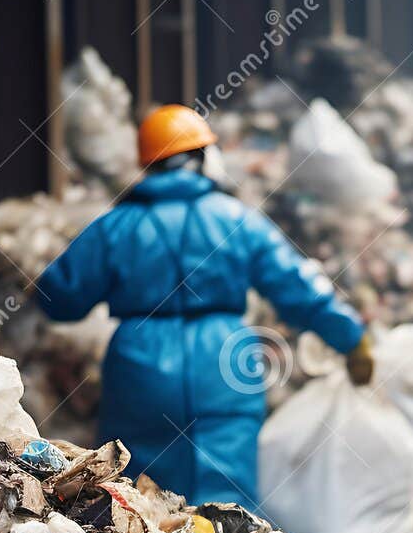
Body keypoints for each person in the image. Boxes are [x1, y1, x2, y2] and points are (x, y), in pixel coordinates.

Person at [35, 104, 369, 508]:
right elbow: (296, 286)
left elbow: (60, 298)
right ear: (200, 158)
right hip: (225, 364)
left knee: (140, 499)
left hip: (139, 366)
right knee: (227, 501)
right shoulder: (236, 219)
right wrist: (350, 338)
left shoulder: (115, 226)